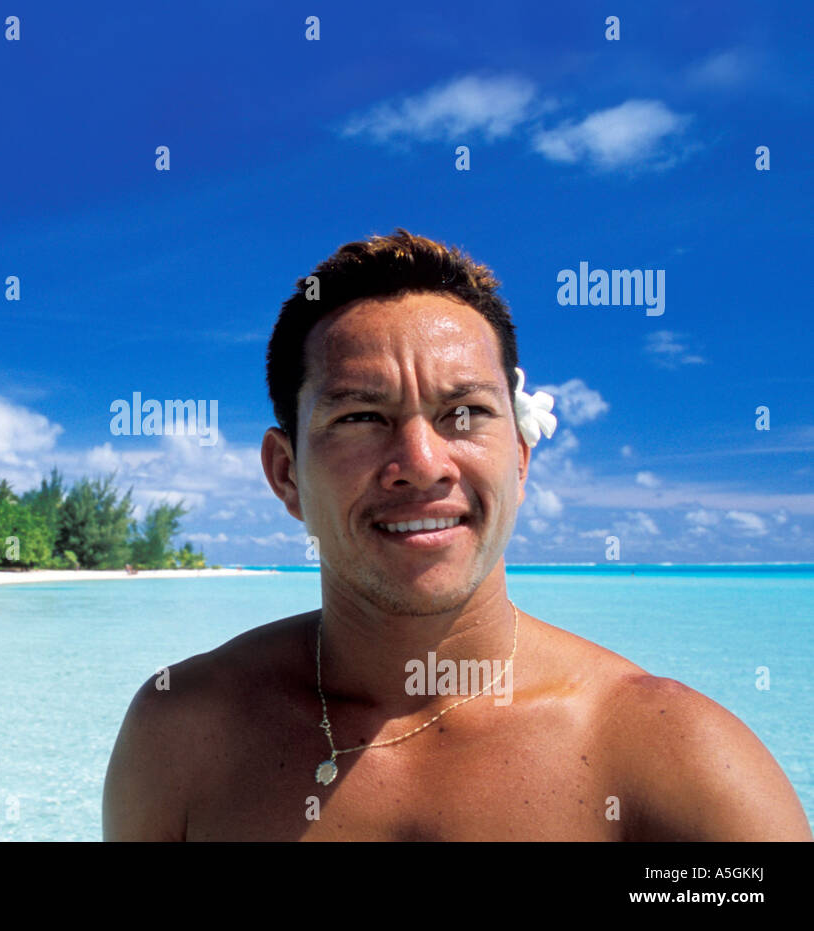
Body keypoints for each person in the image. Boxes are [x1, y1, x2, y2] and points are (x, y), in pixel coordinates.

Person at [102, 229, 812, 841]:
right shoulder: (185, 734)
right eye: (360, 416)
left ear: (522, 457)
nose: (420, 463)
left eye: (465, 412)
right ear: (285, 473)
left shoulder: (674, 761)